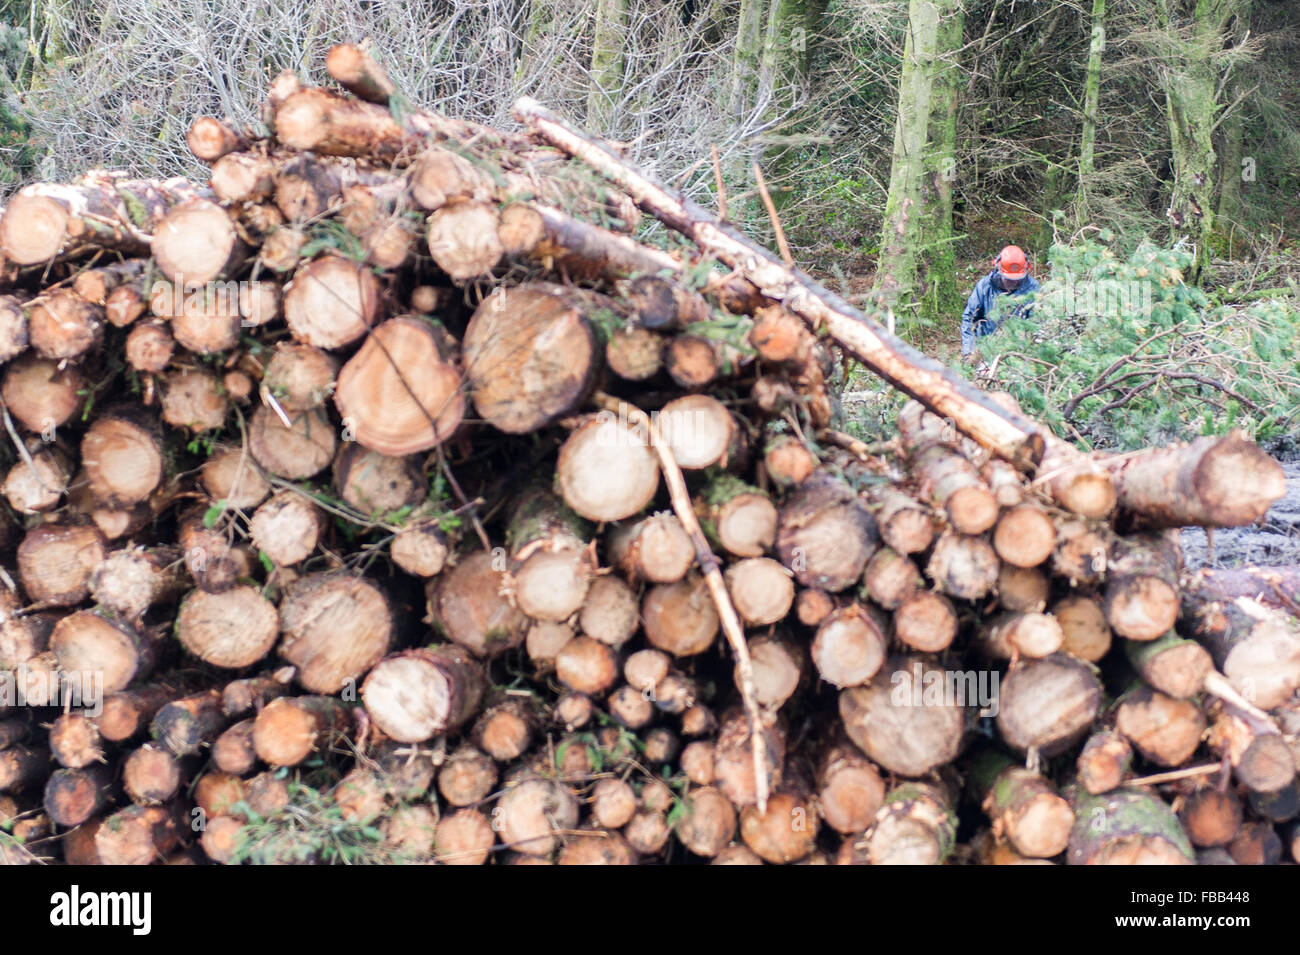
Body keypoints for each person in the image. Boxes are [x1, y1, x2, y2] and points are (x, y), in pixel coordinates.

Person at [960, 245, 1040, 359]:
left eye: (1017, 280)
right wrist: (969, 351)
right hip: (987, 349)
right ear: (998, 269)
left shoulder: (1033, 288)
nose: (1013, 283)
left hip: (1018, 352)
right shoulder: (985, 286)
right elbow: (969, 318)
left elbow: (1036, 323)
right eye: (1008, 279)